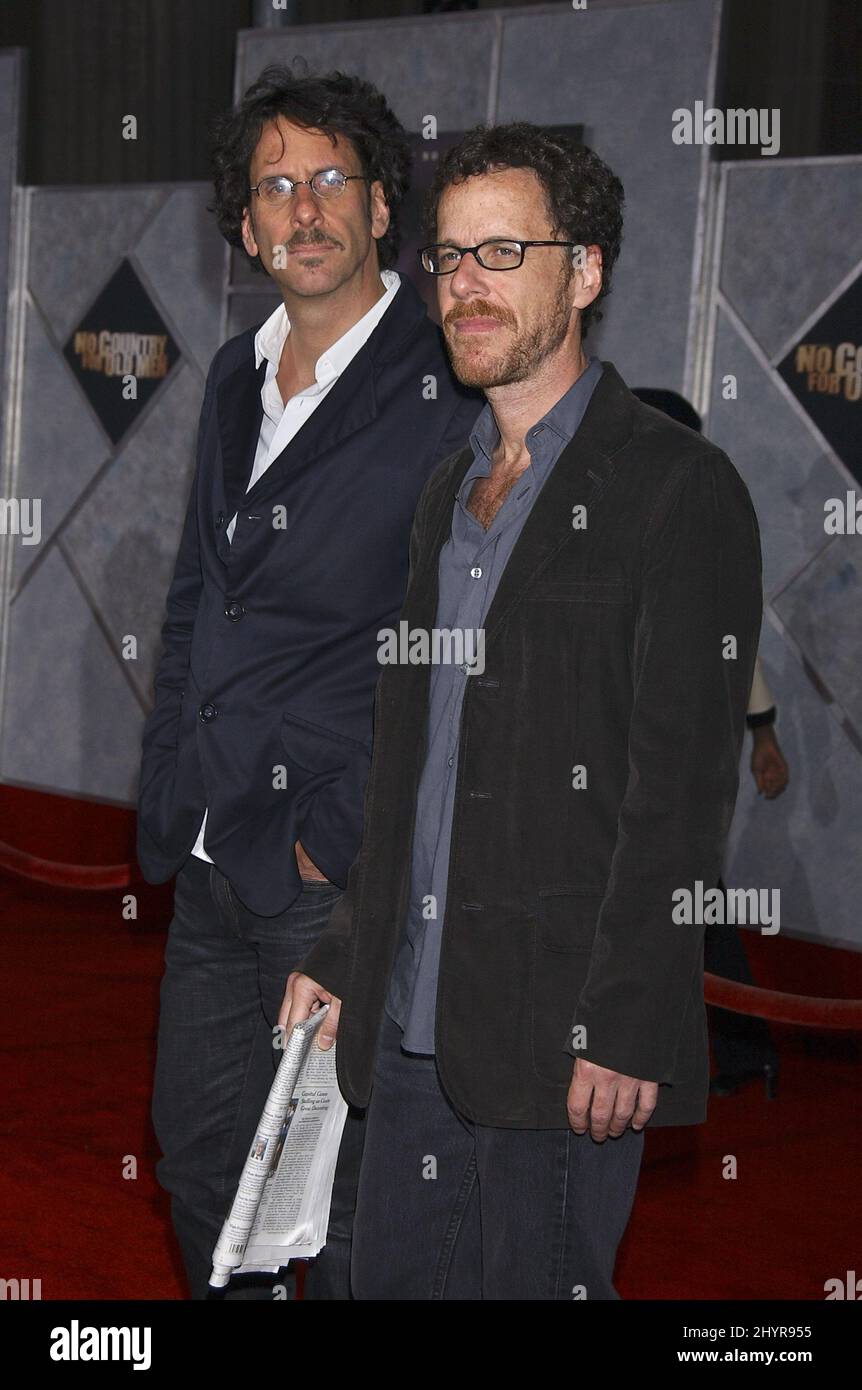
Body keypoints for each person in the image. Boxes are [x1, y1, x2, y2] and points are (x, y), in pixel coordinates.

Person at [284, 122, 764, 1300]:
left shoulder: (675, 485)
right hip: (407, 1024)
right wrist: (349, 949)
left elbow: (680, 788)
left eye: (504, 253)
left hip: (562, 1042)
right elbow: (410, 756)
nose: (467, 288)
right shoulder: (448, 487)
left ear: (584, 272)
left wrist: (628, 1018)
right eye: (448, 259)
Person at [136, 64, 480, 1301]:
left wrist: (349, 856)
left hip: (334, 864)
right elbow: (196, 603)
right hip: (216, 849)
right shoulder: (236, 373)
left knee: (331, 1214)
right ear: (244, 226)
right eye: (274, 187)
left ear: (384, 205)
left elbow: (449, 646)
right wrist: (171, 773)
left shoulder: (444, 383)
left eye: (331, 177)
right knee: (197, 1171)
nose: (304, 208)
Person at [632, 389, 786, 1099]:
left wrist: (762, 735)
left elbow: (737, 634)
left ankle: (744, 1050)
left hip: (679, 755)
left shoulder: (702, 522)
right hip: (619, 753)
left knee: (696, 906)